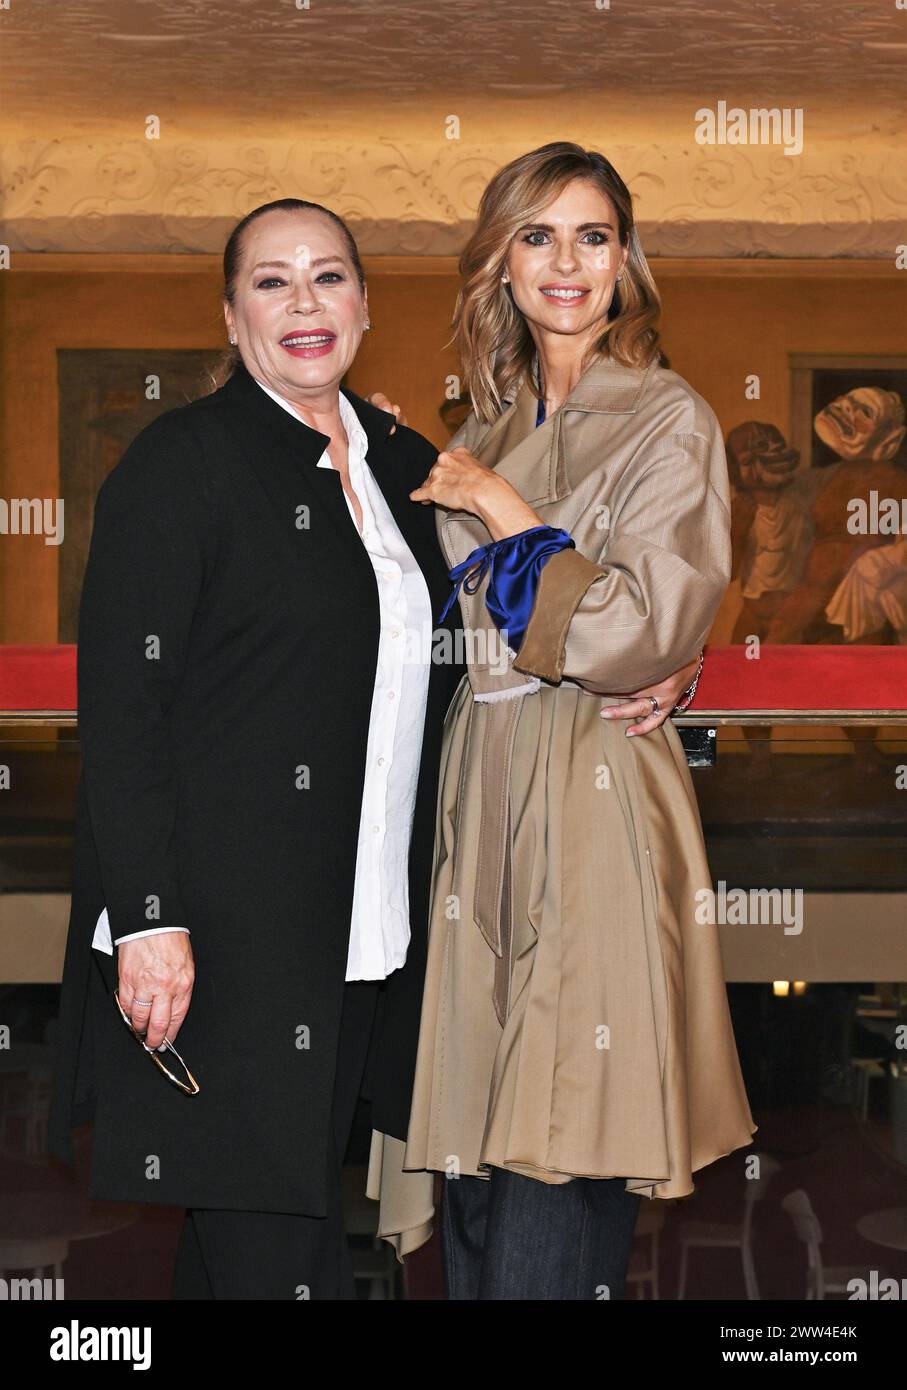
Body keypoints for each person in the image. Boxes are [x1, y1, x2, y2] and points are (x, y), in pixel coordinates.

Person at [47, 197, 465, 1300]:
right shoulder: (182, 463)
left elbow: (477, 636)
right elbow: (123, 707)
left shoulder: (405, 465)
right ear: (231, 319)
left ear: (366, 305)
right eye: (271, 282)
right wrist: (150, 919)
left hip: (362, 924)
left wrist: (652, 655)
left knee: (255, 1227)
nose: (303, 303)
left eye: (327, 276)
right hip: (221, 941)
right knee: (282, 1250)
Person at [368, 142, 758, 1300]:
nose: (566, 262)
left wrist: (500, 510)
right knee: (482, 1161)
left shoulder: (666, 417)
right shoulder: (477, 424)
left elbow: (640, 627)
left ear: (625, 258)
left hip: (592, 782)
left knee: (559, 1147)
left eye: (592, 235)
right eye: (536, 235)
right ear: (499, 262)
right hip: (477, 784)